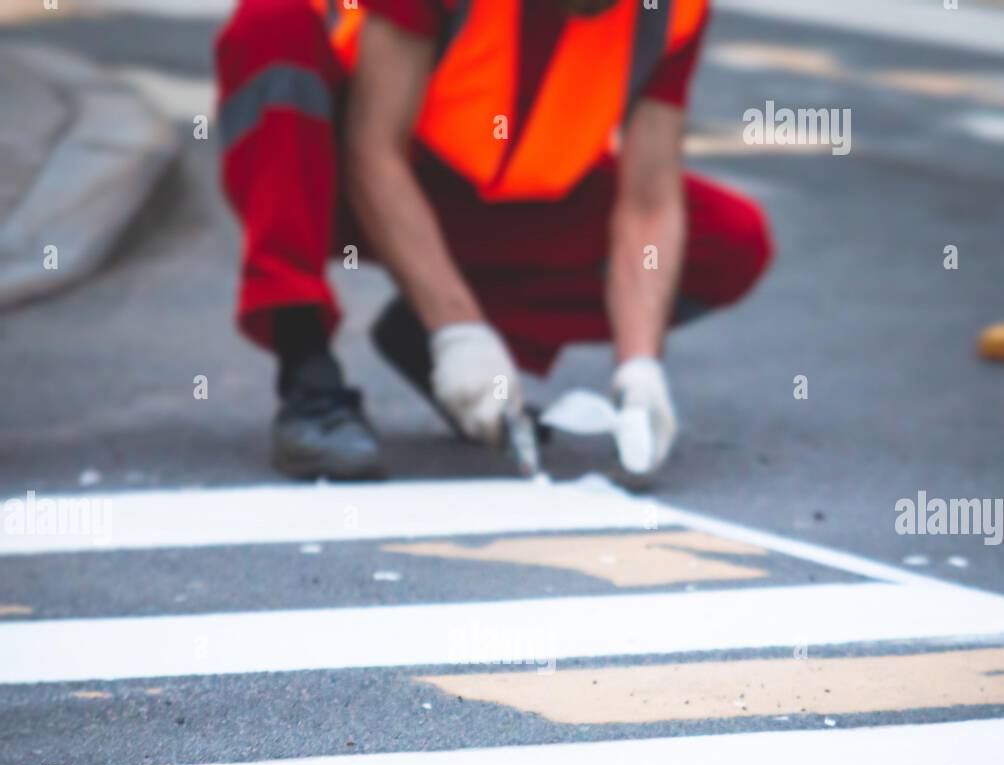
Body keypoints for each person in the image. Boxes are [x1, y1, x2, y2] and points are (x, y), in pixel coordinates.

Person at [215, 0, 772, 479]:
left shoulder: (668, 9)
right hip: (331, 172)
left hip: (480, 201)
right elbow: (372, 149)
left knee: (726, 241)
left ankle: (423, 328)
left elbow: (649, 201)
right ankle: (307, 370)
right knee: (276, 19)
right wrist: (460, 329)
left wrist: (639, 368)